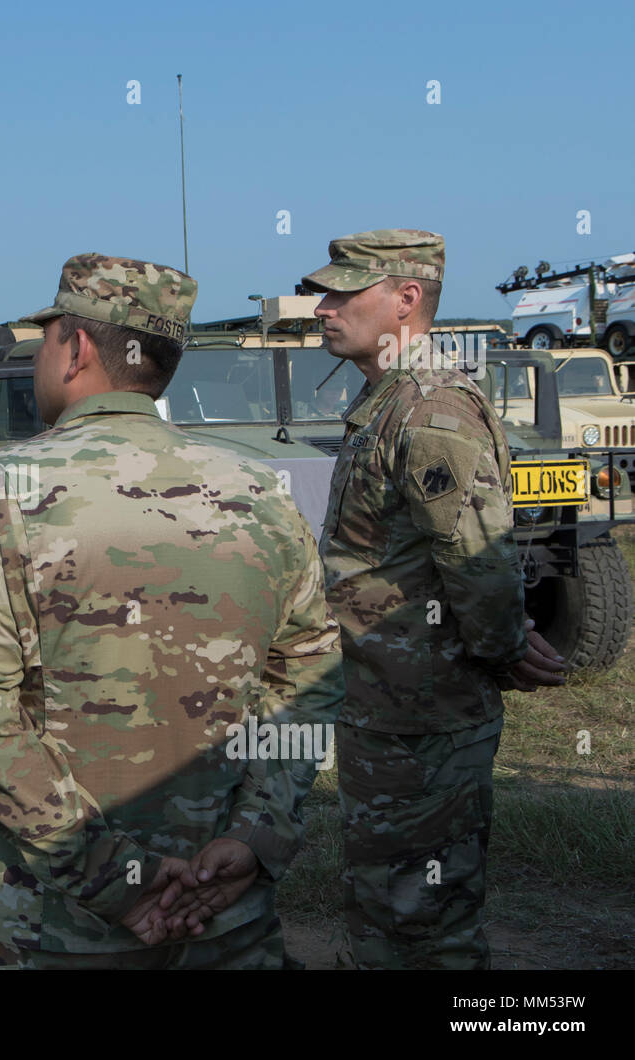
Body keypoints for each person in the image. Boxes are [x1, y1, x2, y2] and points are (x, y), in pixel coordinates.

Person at [0, 253, 344, 968]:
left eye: (45, 339)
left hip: (52, 923)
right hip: (223, 909)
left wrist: (115, 880)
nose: (36, 359)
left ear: (76, 348)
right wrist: (258, 833)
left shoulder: (3, 492)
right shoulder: (258, 491)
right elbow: (310, 678)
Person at [302, 229, 568, 969]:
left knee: (422, 923)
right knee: (384, 908)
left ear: (406, 299)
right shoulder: (388, 398)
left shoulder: (431, 409)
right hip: (386, 706)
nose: (322, 307)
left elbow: (476, 560)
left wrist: (505, 646)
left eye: (342, 292)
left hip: (425, 714)